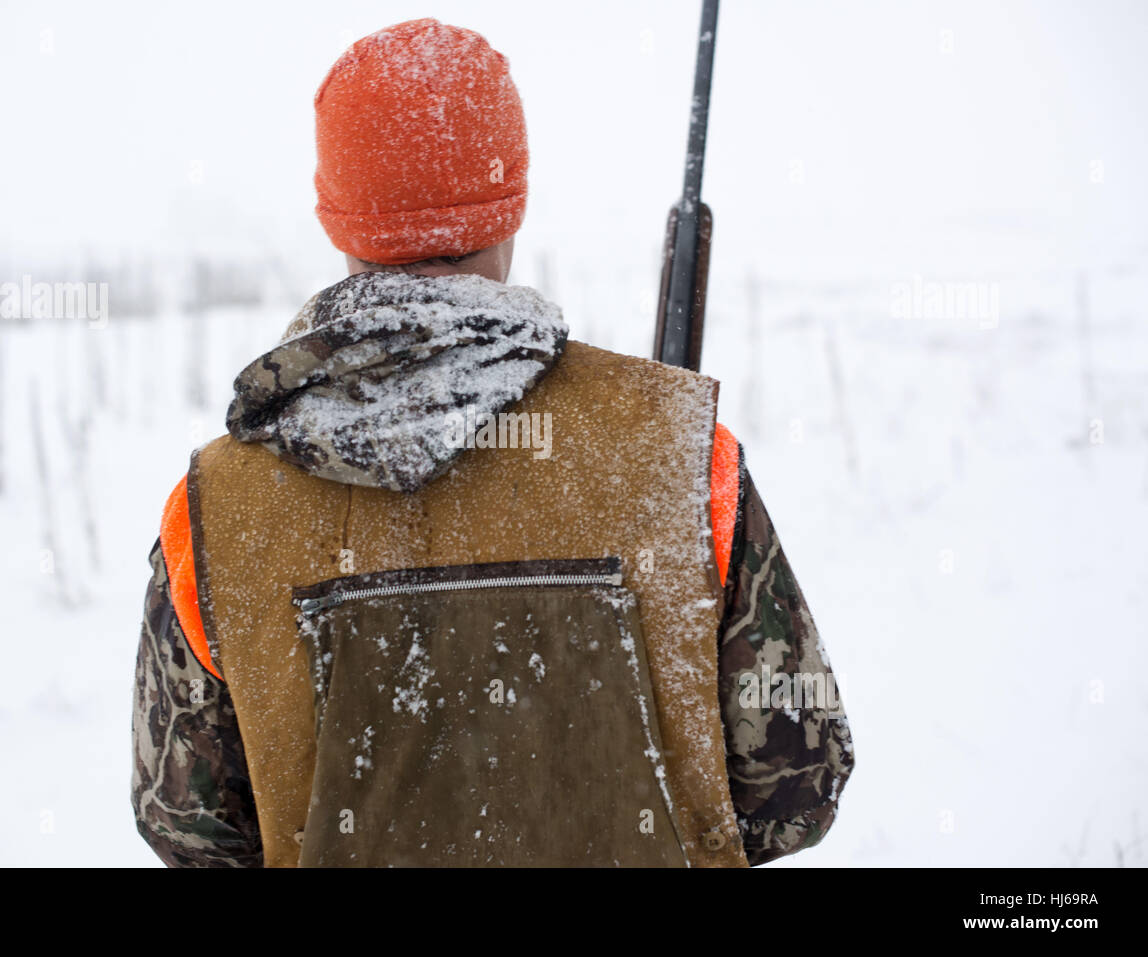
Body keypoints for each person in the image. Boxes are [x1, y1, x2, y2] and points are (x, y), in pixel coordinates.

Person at [131, 17, 853, 868]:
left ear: (337, 219)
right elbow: (797, 788)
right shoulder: (686, 461)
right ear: (510, 204)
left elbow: (188, 829)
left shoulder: (214, 509)